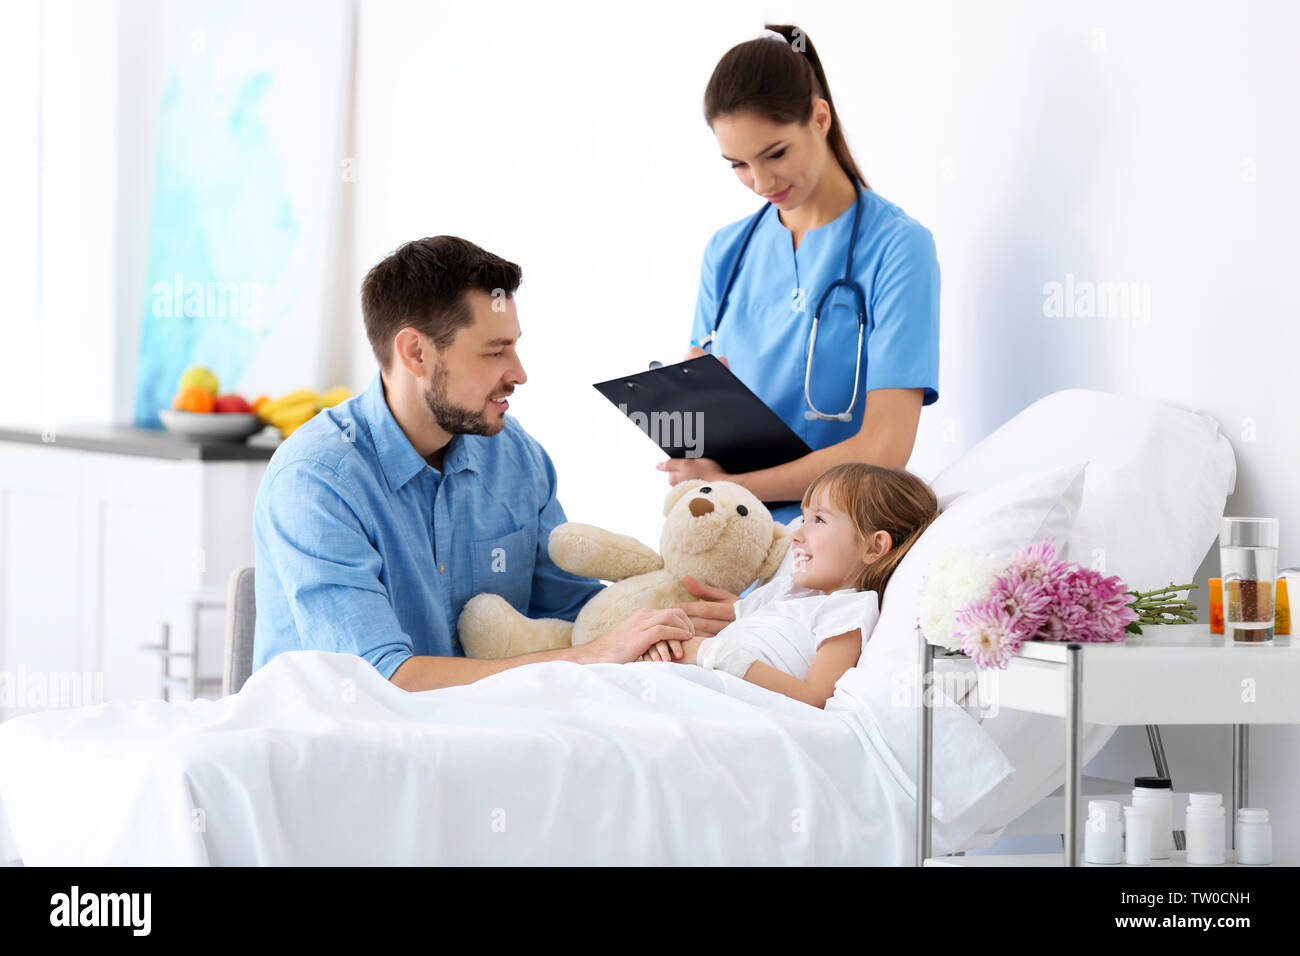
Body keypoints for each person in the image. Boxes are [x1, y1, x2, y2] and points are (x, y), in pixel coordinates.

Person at [252, 236, 695, 691]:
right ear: (416, 353)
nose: (519, 373)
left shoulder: (515, 456)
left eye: (514, 347)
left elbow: (571, 613)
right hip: (345, 748)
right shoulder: (315, 480)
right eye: (494, 351)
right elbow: (379, 682)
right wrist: (589, 657)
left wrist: (669, 616)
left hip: (482, 740)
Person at [659, 24, 941, 533]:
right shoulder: (726, 252)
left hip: (839, 538)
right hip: (726, 533)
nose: (761, 183)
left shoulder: (899, 248)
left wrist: (734, 487)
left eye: (775, 154)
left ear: (819, 118)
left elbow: (884, 450)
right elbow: (698, 431)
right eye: (738, 165)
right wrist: (688, 440)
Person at [646, 463, 939, 709]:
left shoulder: (846, 610)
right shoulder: (787, 593)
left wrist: (712, 653)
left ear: (875, 547)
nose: (796, 534)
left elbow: (813, 699)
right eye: (803, 518)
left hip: (717, 697)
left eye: (819, 520)